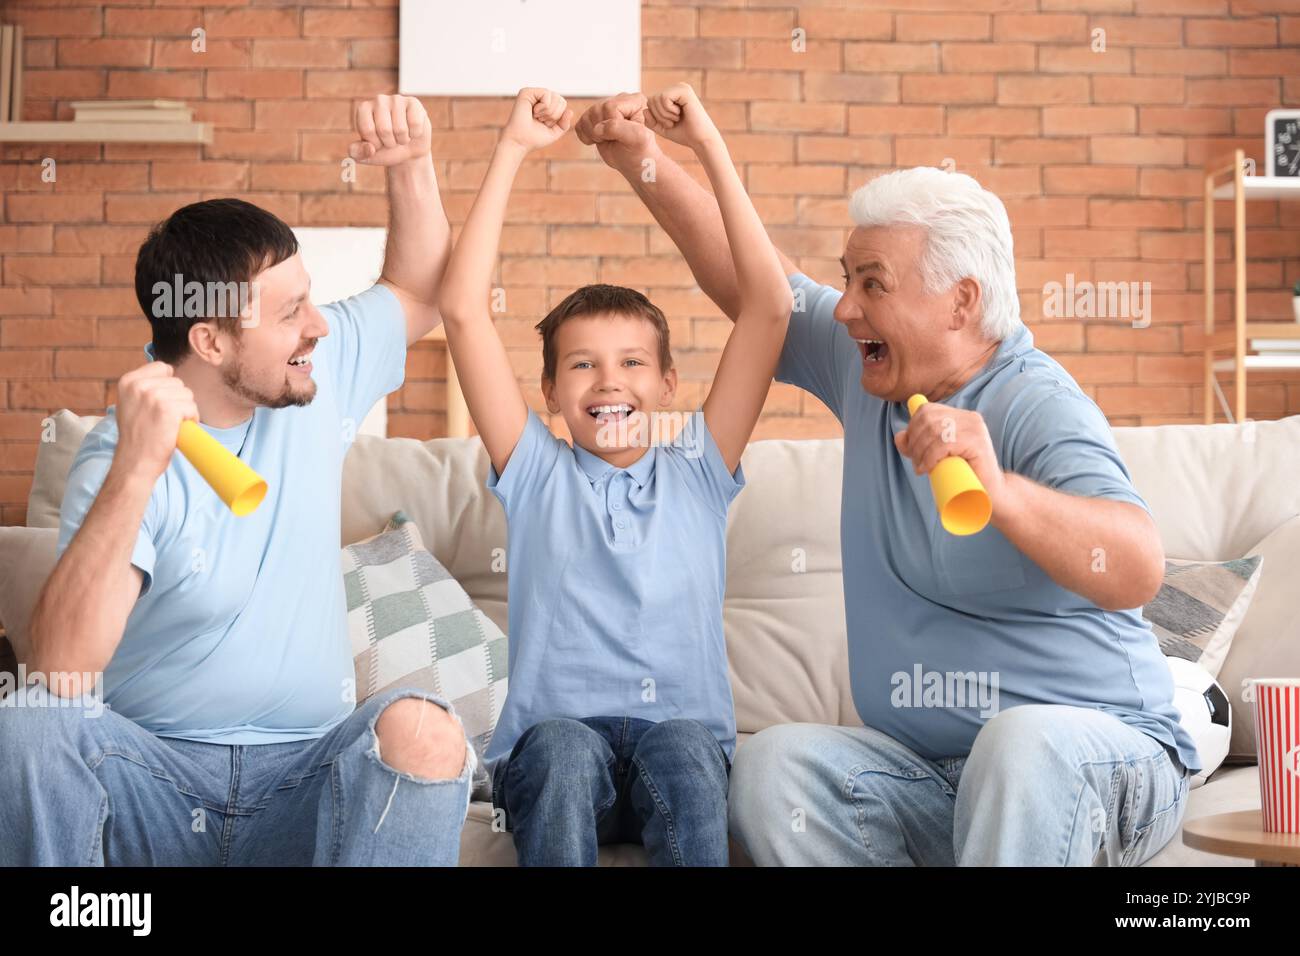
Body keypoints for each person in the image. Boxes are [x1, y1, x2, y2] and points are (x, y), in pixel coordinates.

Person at [576, 92, 1199, 866]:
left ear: (960, 301)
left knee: (1022, 742)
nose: (845, 308)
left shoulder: (1037, 401)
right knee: (774, 769)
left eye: (873, 283)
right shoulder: (871, 366)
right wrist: (641, 159)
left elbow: (1136, 568)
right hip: (933, 780)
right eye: (847, 279)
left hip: (1099, 766)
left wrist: (1000, 492)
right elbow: (758, 290)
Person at [0, 94, 474, 867]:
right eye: (292, 312)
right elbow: (60, 672)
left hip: (306, 777)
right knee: (24, 720)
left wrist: (412, 165)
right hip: (153, 779)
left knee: (423, 726)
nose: (319, 324)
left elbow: (418, 293)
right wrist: (135, 471)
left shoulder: (309, 376)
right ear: (211, 339)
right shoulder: (119, 455)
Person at [437, 85, 791, 866]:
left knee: (686, 754)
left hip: (681, 741)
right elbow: (462, 308)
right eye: (583, 365)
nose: (609, 383)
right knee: (563, 748)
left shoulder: (698, 468)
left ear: (668, 384)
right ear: (551, 394)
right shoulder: (535, 471)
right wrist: (511, 150)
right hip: (554, 752)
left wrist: (706, 148)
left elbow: (769, 307)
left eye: (633, 363)